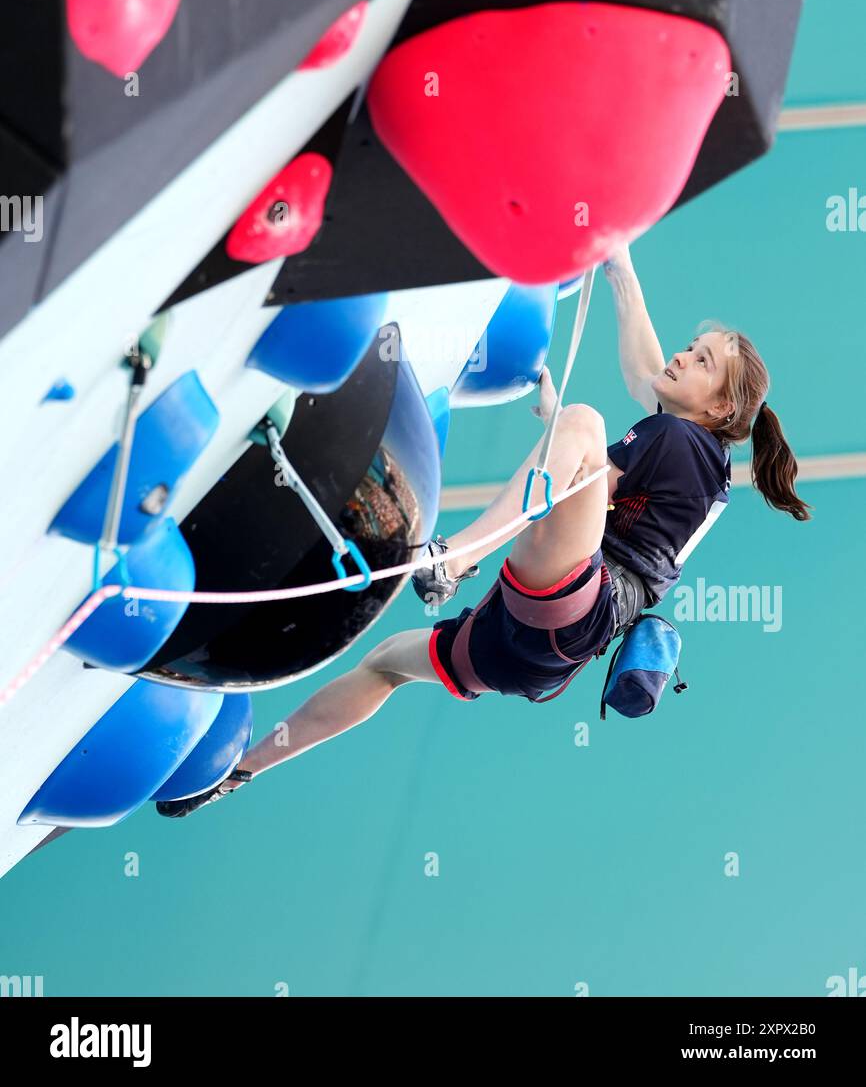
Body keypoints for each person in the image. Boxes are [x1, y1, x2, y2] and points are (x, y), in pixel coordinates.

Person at [157, 244, 810, 817]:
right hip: (530, 656)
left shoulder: (678, 440)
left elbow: (602, 483)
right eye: (691, 348)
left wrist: (564, 433)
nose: (680, 356)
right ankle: (234, 777)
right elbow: (644, 374)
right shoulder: (701, 456)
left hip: (577, 605)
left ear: (720, 406)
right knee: (385, 666)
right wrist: (620, 268)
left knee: (580, 422)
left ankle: (456, 557)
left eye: (699, 361)